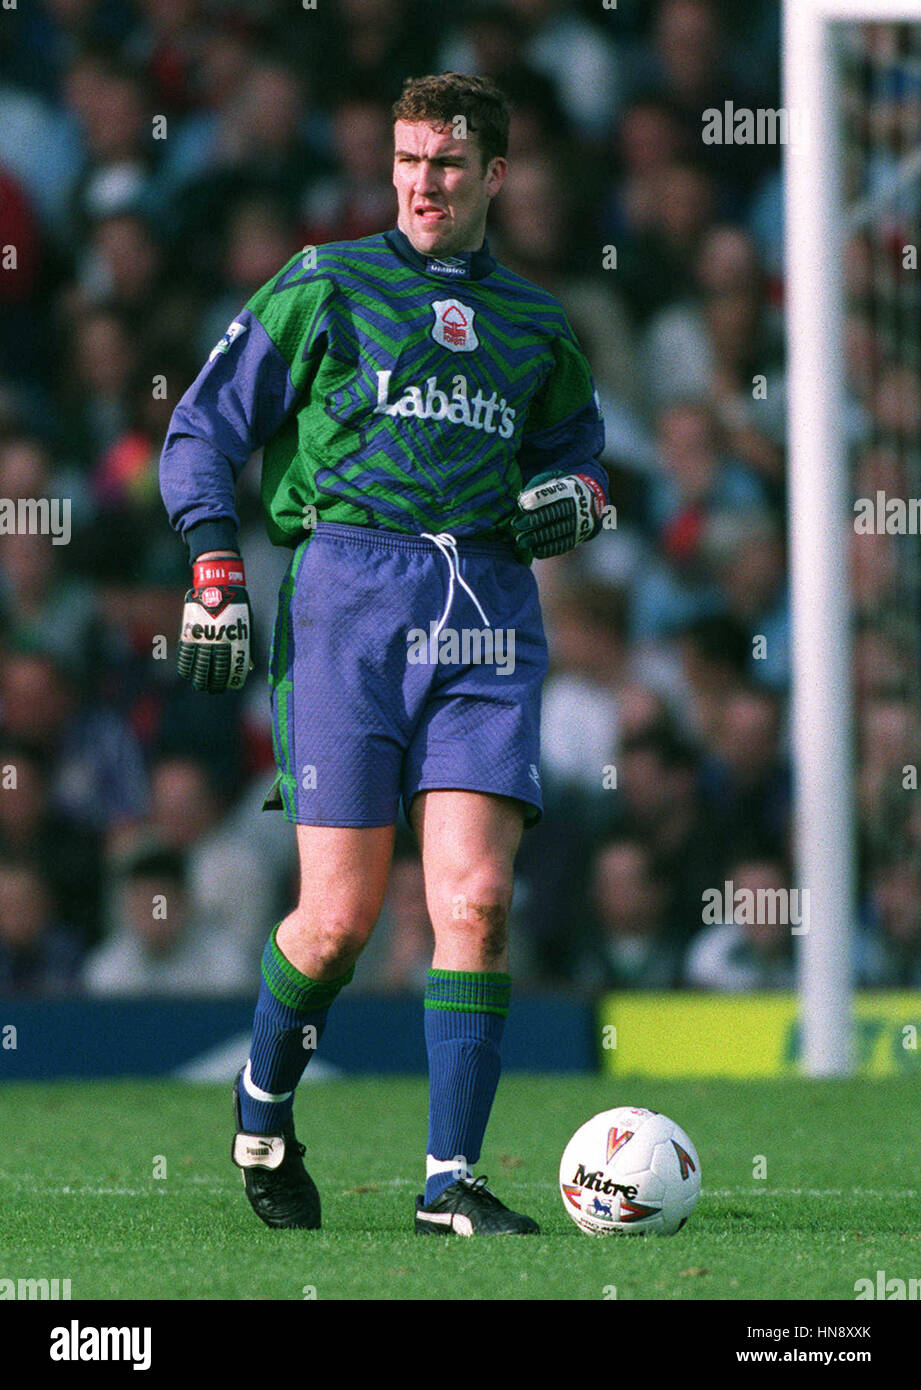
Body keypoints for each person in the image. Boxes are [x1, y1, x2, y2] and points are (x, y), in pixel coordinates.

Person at [159, 73, 608, 1237]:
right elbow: (205, 425)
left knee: (478, 896)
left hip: (489, 609)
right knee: (340, 918)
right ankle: (262, 1111)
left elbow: (580, 455)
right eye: (409, 159)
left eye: (448, 164)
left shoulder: (537, 324)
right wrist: (215, 566)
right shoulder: (326, 281)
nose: (423, 182)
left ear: (494, 176)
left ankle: (448, 1180)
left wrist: (585, 494)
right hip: (350, 603)